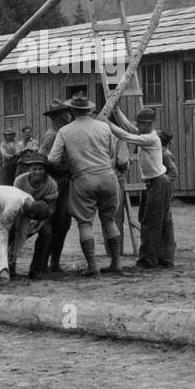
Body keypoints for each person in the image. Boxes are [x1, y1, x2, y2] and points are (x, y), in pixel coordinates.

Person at [48, 93, 123, 276]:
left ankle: (92, 266)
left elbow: (53, 159)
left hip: (83, 178)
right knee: (109, 220)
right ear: (89, 110)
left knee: (84, 223)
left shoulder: (64, 132)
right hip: (107, 176)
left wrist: (72, 163)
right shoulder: (104, 127)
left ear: (72, 111)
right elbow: (112, 152)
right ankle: (116, 263)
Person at [108, 107, 175, 269]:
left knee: (150, 223)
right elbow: (129, 128)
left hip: (158, 183)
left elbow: (125, 135)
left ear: (148, 124)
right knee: (163, 222)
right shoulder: (146, 134)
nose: (137, 125)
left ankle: (147, 260)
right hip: (155, 183)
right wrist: (117, 111)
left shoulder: (151, 138)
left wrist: (106, 123)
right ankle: (165, 259)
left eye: (140, 123)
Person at [0, 183, 52, 287]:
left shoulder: (30, 201)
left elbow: (22, 232)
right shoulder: (12, 207)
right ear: (31, 215)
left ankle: (7, 265)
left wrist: (13, 257)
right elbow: (3, 235)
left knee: (11, 233)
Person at [30, 100, 74, 277]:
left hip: (63, 182)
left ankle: (53, 262)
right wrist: (68, 168)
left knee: (63, 223)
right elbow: (45, 162)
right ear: (61, 116)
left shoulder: (62, 133)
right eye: (67, 114)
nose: (70, 116)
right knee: (54, 223)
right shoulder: (52, 136)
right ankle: (45, 264)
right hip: (55, 184)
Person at [13, 152, 59, 278]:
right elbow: (15, 203)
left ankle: (37, 268)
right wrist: (24, 223)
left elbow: (51, 207)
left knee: (47, 233)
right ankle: (9, 265)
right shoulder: (20, 181)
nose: (37, 172)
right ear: (29, 169)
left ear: (45, 170)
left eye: (40, 169)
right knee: (12, 233)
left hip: (42, 215)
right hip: (22, 212)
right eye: (34, 169)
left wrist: (39, 223)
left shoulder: (51, 184)